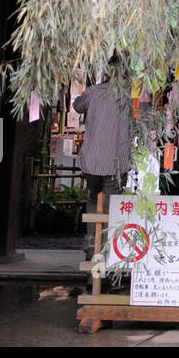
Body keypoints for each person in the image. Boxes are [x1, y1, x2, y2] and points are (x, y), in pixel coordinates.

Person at [74, 70, 133, 250]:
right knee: (111, 204)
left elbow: (77, 106)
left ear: (107, 73)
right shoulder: (130, 96)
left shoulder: (93, 92)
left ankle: (91, 244)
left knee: (93, 198)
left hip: (92, 159)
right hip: (117, 161)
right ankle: (105, 249)